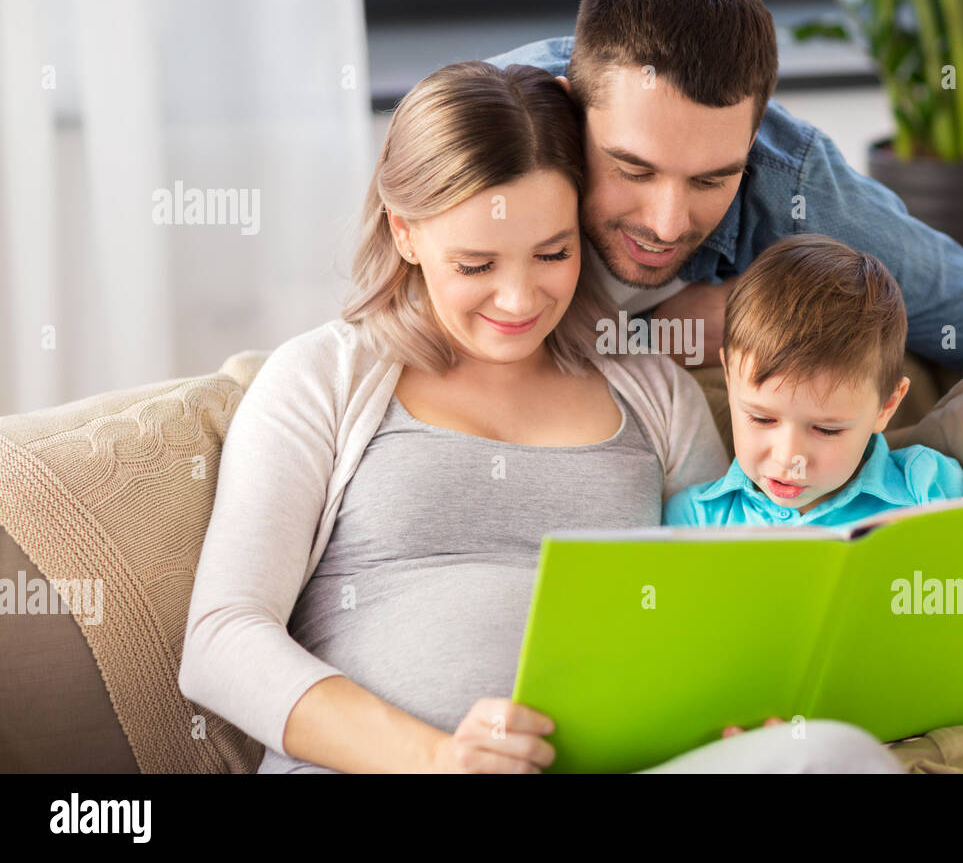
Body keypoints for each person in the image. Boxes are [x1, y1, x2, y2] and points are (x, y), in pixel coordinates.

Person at [178, 59, 903, 773]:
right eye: (475, 266)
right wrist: (438, 759)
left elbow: (723, 605)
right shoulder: (322, 378)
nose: (520, 300)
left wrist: (748, 707)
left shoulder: (653, 391)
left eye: (552, 253)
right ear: (405, 232)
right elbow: (221, 639)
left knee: (832, 754)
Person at [484, 0, 963, 502]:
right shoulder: (475, 144)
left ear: (751, 143)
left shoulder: (793, 186)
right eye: (633, 170)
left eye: (710, 180)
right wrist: (656, 335)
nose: (666, 225)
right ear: (569, 109)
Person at [664, 234, 963, 528]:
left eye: (827, 429)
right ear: (730, 381)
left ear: (886, 406)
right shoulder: (695, 518)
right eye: (762, 418)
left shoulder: (929, 488)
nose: (788, 458)